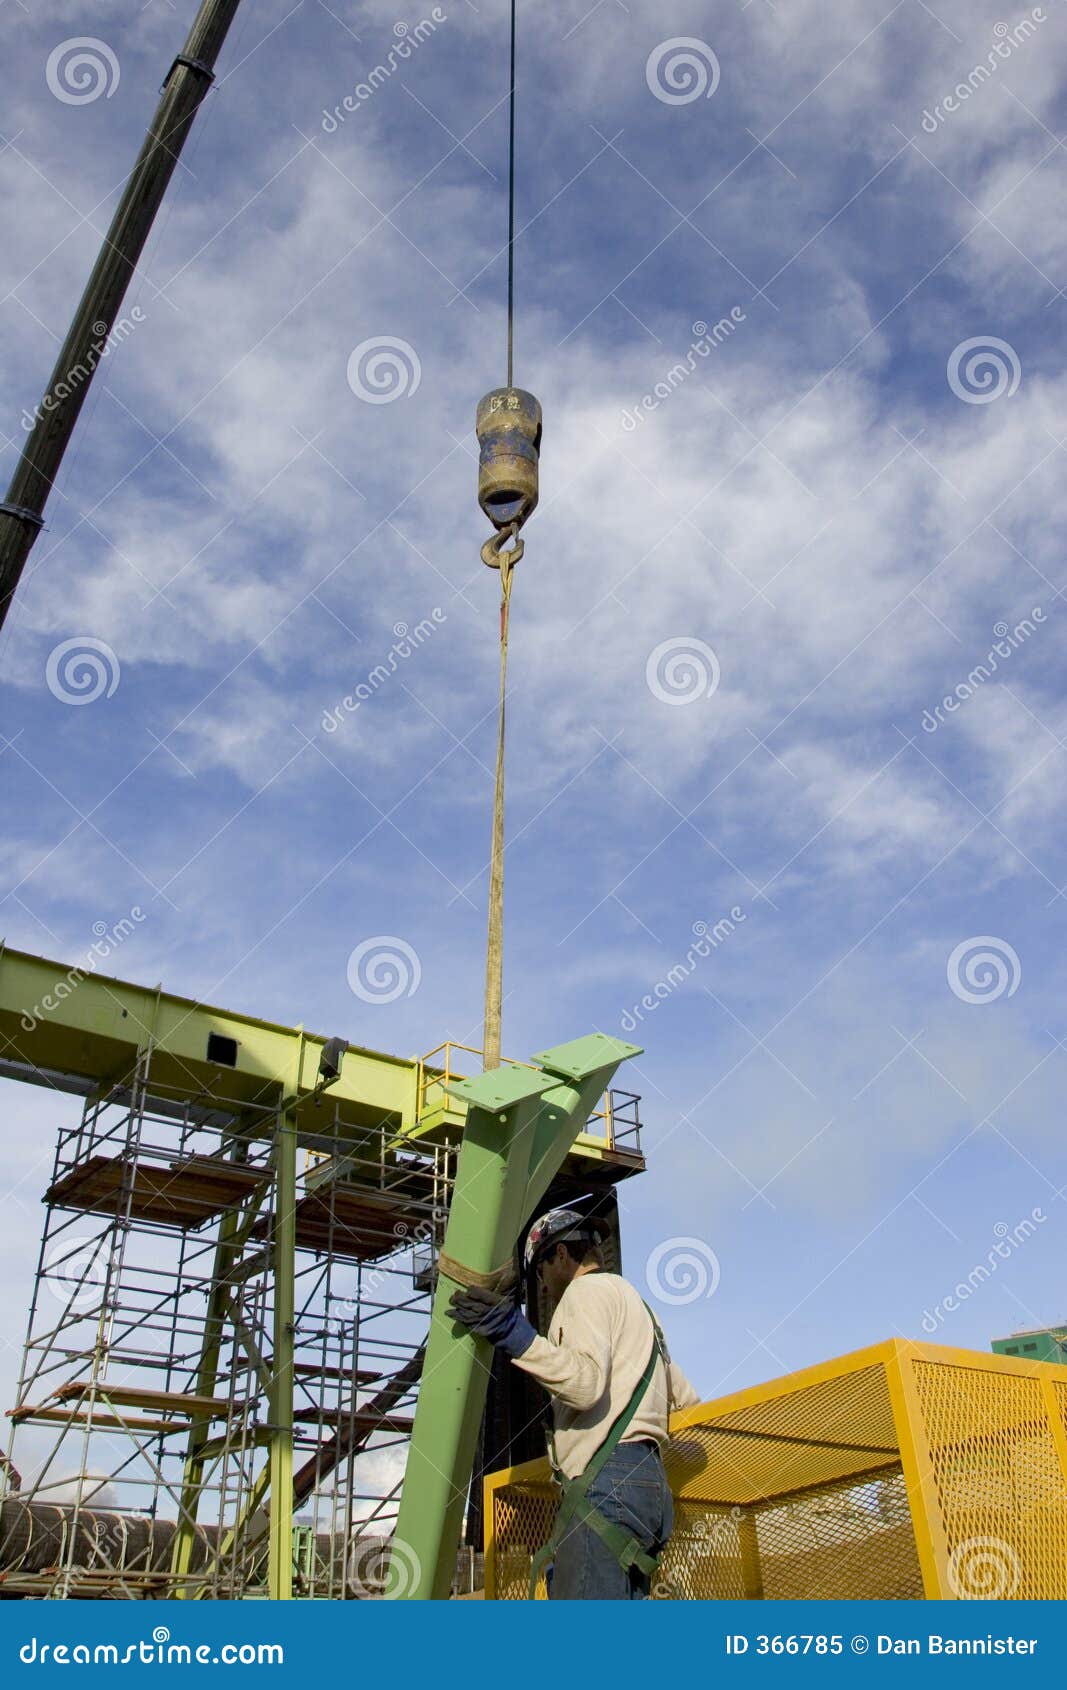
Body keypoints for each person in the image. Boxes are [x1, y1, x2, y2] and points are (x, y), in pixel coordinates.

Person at [449, 1205, 701, 1599]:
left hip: (606, 1484)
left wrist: (517, 1336)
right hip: (650, 1490)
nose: (544, 1286)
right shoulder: (641, 1309)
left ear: (560, 1255)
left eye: (541, 1272)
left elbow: (584, 1385)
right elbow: (687, 1402)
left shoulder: (583, 1294)